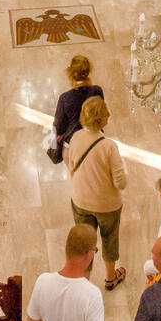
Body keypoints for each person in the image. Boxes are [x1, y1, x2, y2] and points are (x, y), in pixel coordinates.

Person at [65, 95, 128, 290]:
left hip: (81, 201)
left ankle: (85, 283)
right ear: (104, 118)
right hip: (108, 206)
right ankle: (110, 278)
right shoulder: (109, 146)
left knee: (85, 241)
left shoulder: (75, 138)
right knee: (109, 238)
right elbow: (121, 183)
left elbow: (71, 166)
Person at [50, 56, 104, 163]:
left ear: (71, 74)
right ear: (88, 71)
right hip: (96, 139)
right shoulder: (97, 91)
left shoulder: (65, 98)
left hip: (73, 143)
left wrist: (56, 140)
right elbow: (101, 115)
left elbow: (59, 126)